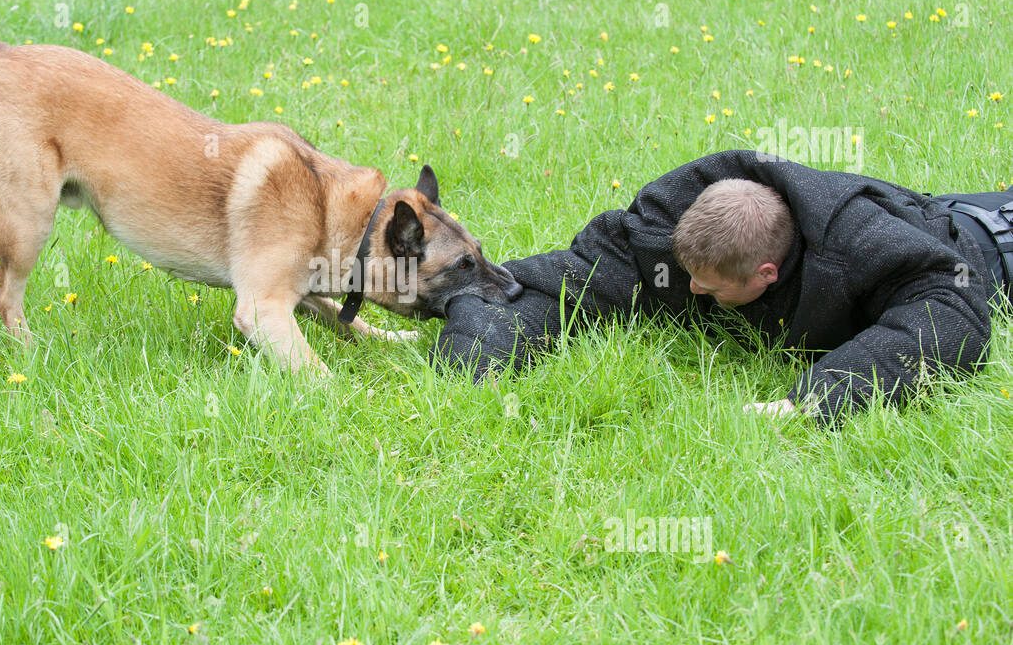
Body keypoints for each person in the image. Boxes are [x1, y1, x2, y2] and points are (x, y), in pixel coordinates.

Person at [432, 149, 1013, 424]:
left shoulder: (856, 244)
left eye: (709, 291)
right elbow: (566, 282)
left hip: (984, 243)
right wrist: (474, 349)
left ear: (767, 274)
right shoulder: (674, 226)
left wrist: (809, 401)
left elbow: (950, 314)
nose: (690, 291)